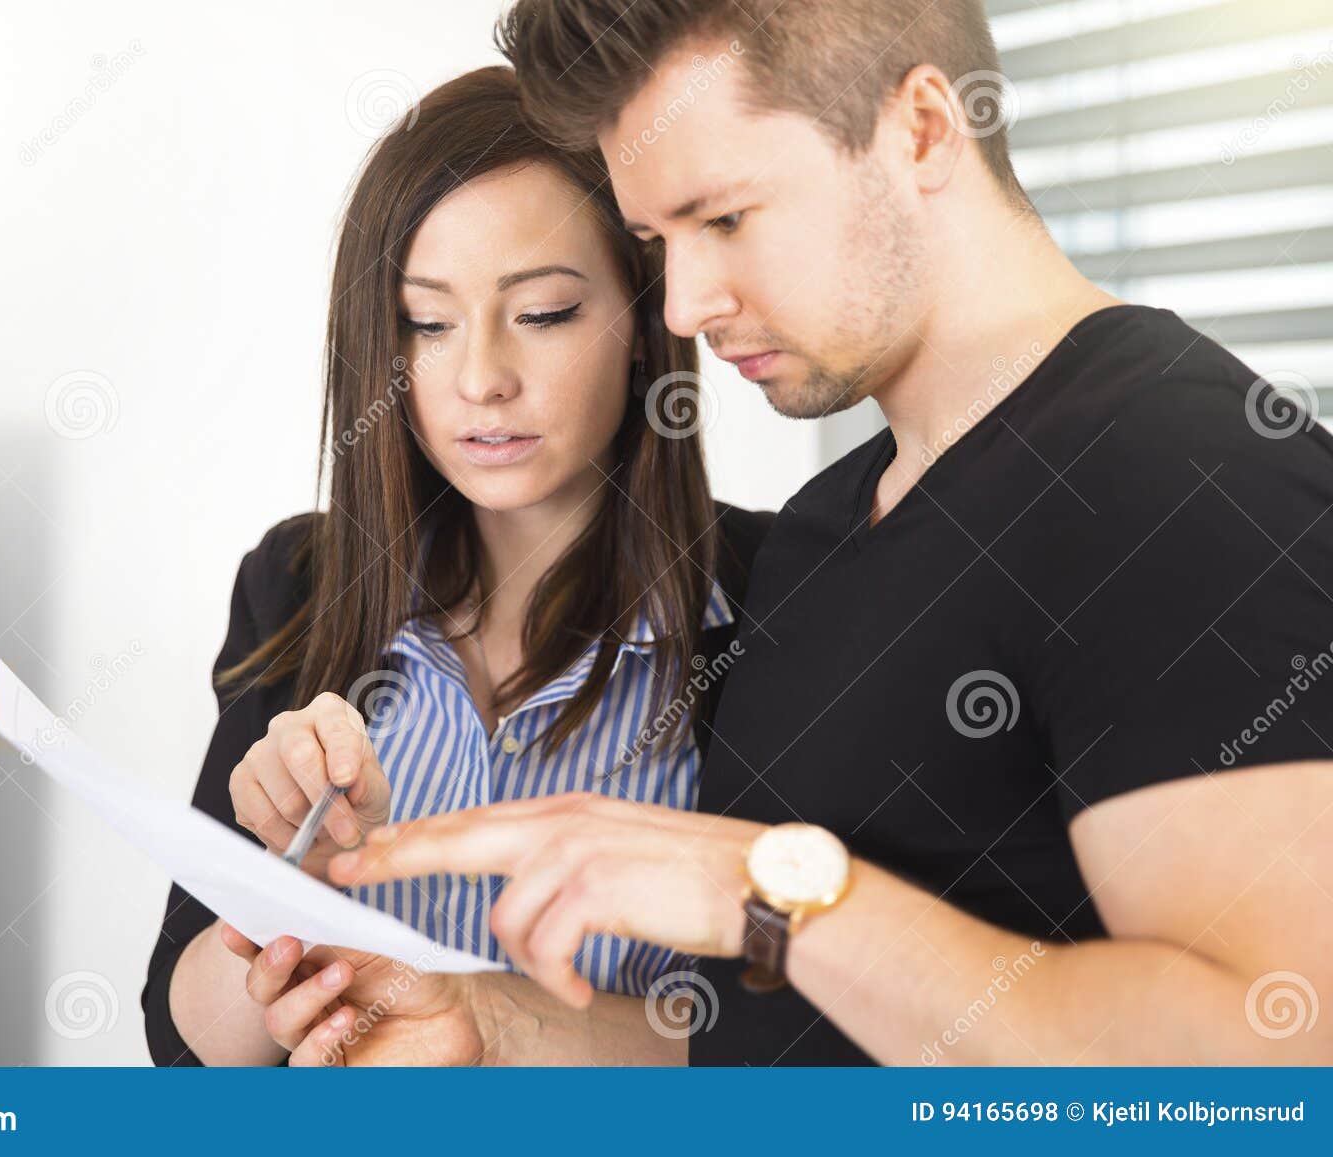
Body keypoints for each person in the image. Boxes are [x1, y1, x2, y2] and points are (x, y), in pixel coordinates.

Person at [316, 0, 1333, 1067]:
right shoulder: (819, 533)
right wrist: (487, 1020)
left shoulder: (1181, 474)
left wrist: (763, 885)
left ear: (924, 130)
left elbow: (1279, 1060)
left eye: (725, 219)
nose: (685, 304)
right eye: (661, 240)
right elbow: (780, 1046)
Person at [139, 65, 772, 1066]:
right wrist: (288, 871)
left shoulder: (780, 592)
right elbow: (187, 1043)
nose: (481, 378)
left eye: (546, 312)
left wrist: (493, 1019)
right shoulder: (301, 580)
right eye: (427, 325)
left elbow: (806, 1049)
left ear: (645, 322)